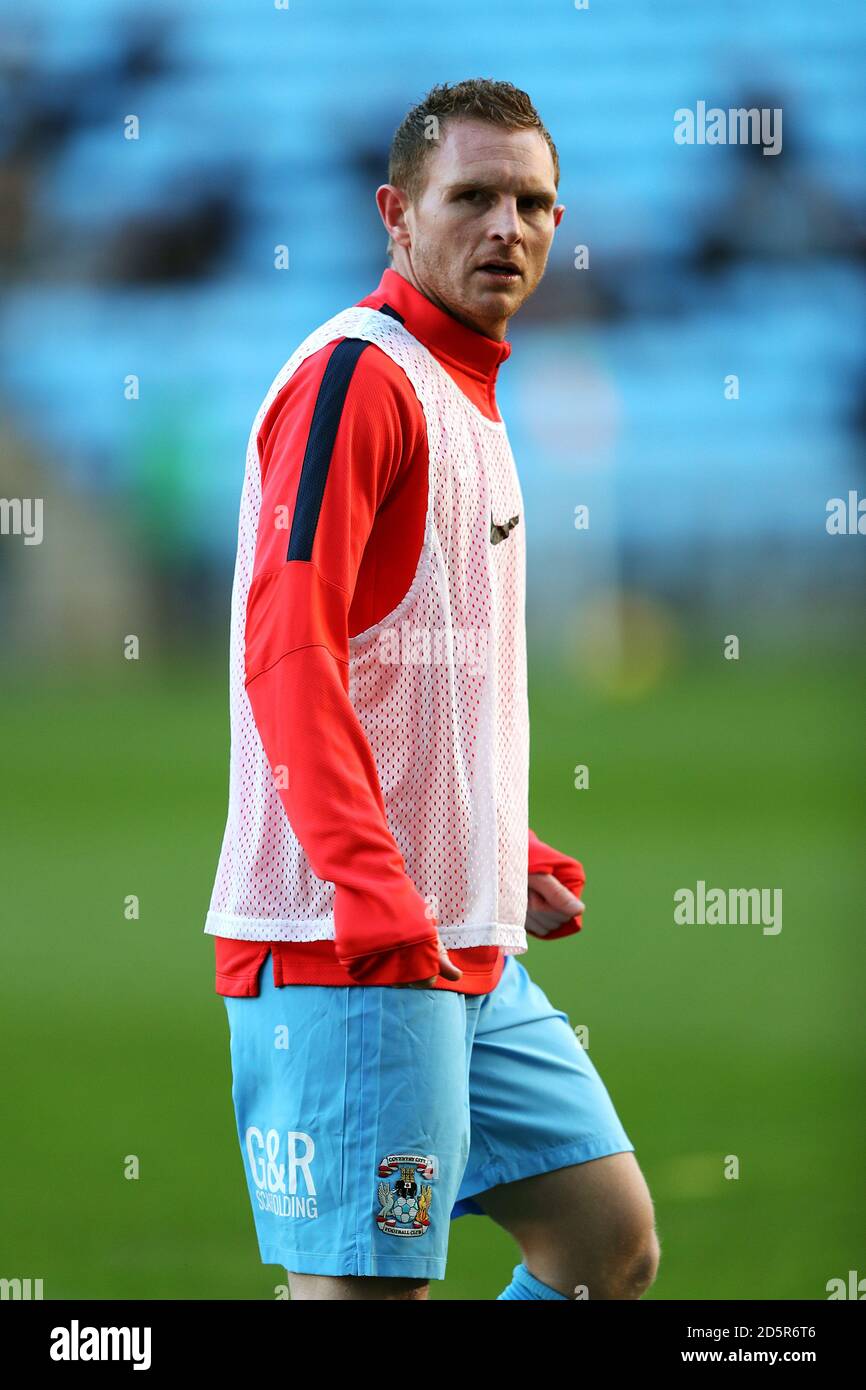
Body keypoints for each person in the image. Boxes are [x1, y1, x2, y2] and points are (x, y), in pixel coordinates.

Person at [206, 77, 660, 1301]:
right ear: (396, 215)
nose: (505, 227)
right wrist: (368, 884)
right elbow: (287, 656)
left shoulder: (467, 388)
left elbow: (402, 671)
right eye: (470, 197)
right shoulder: (359, 378)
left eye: (532, 202)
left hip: (460, 936)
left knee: (601, 1242)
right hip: (347, 948)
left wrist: (490, 844)